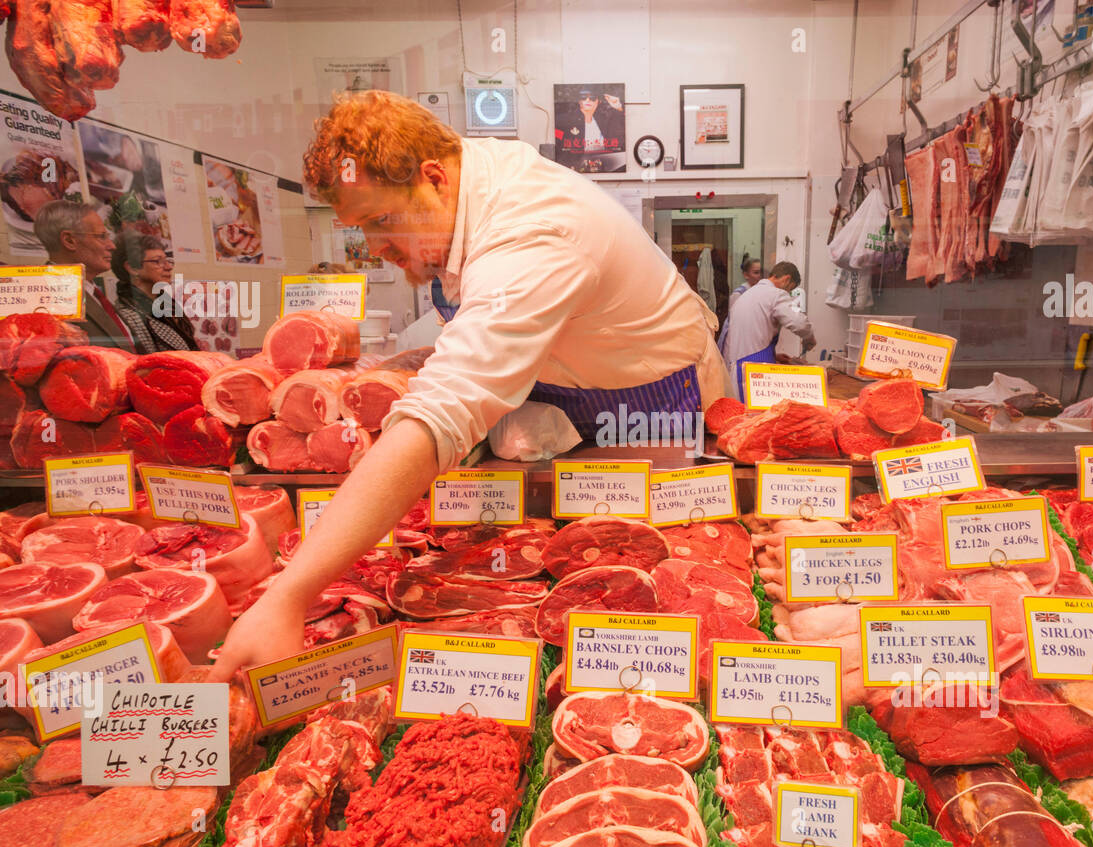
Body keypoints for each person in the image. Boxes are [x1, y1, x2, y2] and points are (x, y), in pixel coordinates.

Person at [210, 90, 725, 679]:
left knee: (636, 578)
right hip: (567, 396)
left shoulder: (534, 231)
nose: (374, 250)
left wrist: (290, 595)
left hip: (648, 407)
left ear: (433, 178)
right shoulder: (464, 189)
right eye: (359, 228)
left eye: (381, 221)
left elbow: (442, 413)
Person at [34, 200, 136, 351]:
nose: (112, 246)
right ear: (69, 240)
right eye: (102, 236)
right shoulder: (45, 297)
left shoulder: (90, 290)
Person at [719, 260, 816, 395]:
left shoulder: (748, 294)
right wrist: (809, 339)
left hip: (736, 367)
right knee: (755, 408)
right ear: (787, 279)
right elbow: (800, 323)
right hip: (754, 370)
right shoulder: (776, 294)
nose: (788, 293)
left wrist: (775, 356)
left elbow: (751, 335)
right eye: (790, 289)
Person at [111, 233, 197, 352]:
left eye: (167, 260)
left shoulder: (168, 306)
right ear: (133, 268)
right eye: (157, 261)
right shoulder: (129, 316)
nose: (168, 267)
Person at [555, 88, 626, 172]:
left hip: (604, 168)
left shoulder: (604, 120)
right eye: (583, 97)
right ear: (579, 101)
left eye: (592, 98)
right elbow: (559, 147)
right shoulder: (565, 120)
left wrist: (618, 107)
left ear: (598, 101)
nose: (588, 100)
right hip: (576, 170)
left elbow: (620, 137)